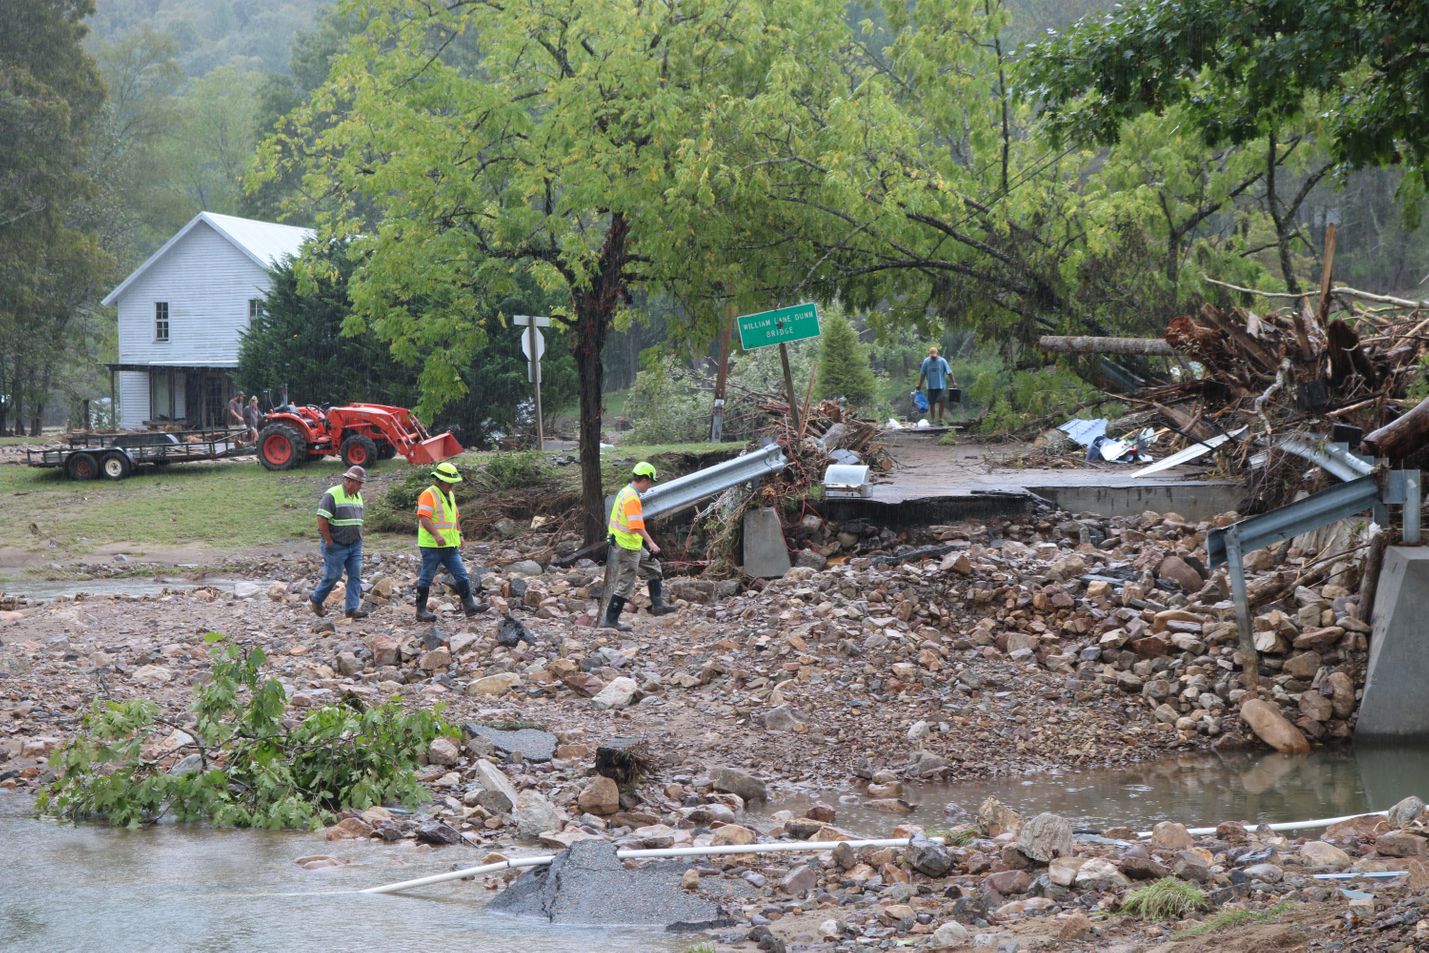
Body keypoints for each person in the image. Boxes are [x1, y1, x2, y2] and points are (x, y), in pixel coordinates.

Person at [601, 461, 676, 631]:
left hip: (630, 543)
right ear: (644, 479)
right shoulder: (632, 497)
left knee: (653, 566)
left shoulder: (626, 492)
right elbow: (636, 526)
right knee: (626, 582)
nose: (649, 487)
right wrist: (651, 542)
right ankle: (610, 619)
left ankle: (658, 606)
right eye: (650, 483)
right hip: (626, 546)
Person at [414, 461, 484, 621]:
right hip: (432, 546)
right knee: (426, 577)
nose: (452, 486)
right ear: (440, 480)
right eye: (450, 483)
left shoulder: (450, 495)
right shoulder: (429, 494)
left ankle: (470, 606)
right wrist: (436, 535)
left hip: (450, 546)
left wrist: (460, 534)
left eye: (453, 483)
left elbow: (455, 517)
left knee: (462, 575)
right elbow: (423, 517)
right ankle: (420, 611)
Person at [310, 465, 368, 619]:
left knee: (355, 575)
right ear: (349, 481)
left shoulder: (357, 495)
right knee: (333, 576)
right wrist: (328, 539)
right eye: (359, 483)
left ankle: (351, 609)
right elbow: (322, 518)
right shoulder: (332, 495)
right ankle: (316, 599)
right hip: (336, 544)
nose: (360, 486)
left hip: (354, 544)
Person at [916, 346, 957, 425]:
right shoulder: (926, 362)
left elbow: (949, 372)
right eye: (932, 356)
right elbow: (922, 374)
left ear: (937, 354)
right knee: (932, 404)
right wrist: (919, 385)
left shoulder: (942, 361)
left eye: (934, 356)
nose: (933, 357)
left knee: (941, 402)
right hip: (930, 386)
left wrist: (953, 382)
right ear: (929, 354)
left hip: (940, 386)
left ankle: (940, 420)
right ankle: (932, 420)